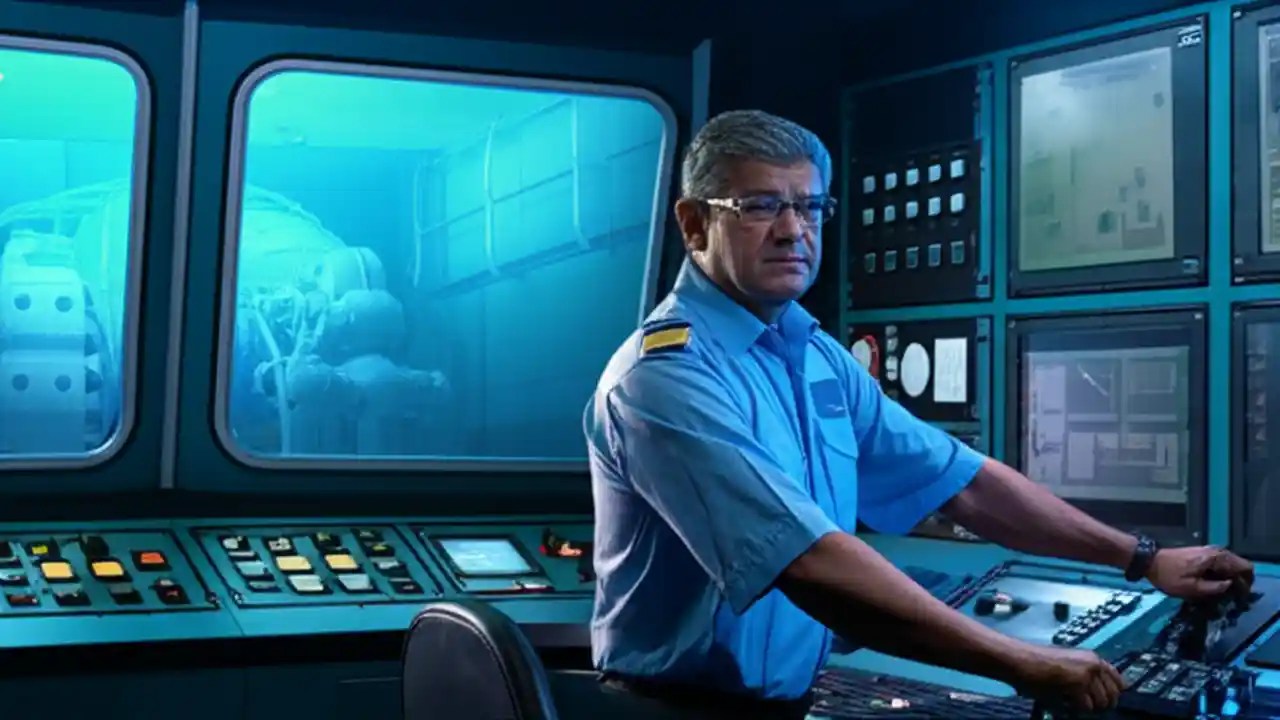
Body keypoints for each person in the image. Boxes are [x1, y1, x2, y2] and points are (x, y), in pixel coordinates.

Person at [581, 109, 1255, 719]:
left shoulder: (815, 356)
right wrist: (1020, 661)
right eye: (760, 206)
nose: (793, 231)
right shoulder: (664, 379)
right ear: (695, 222)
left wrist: (1142, 559)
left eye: (810, 206)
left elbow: (961, 482)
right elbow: (810, 564)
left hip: (785, 703)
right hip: (670, 710)